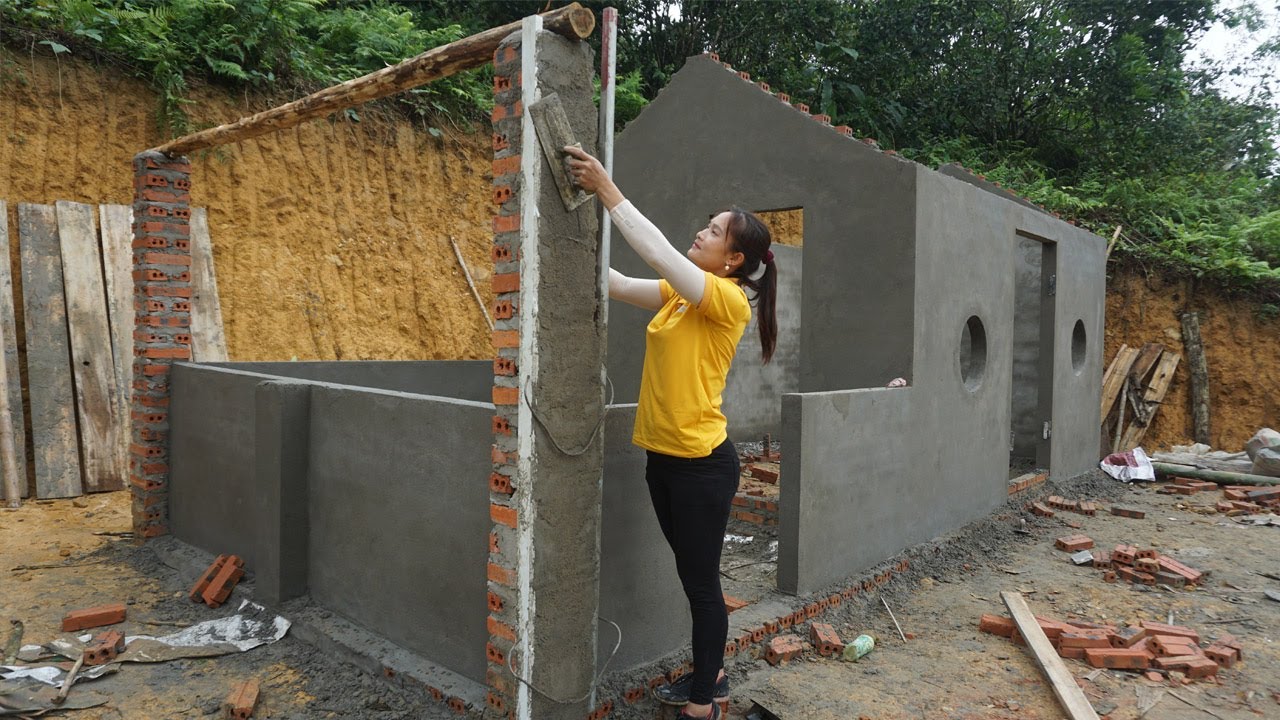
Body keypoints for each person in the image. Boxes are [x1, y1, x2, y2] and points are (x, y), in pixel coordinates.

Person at [564, 146, 779, 720]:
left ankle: (704, 704)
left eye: (714, 231)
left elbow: (657, 252)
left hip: (701, 466)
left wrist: (606, 190)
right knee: (693, 578)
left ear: (733, 259)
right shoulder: (682, 297)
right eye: (706, 225)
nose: (701, 233)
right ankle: (714, 674)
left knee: (702, 586)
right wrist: (564, 234)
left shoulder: (726, 300)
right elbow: (617, 283)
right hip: (663, 460)